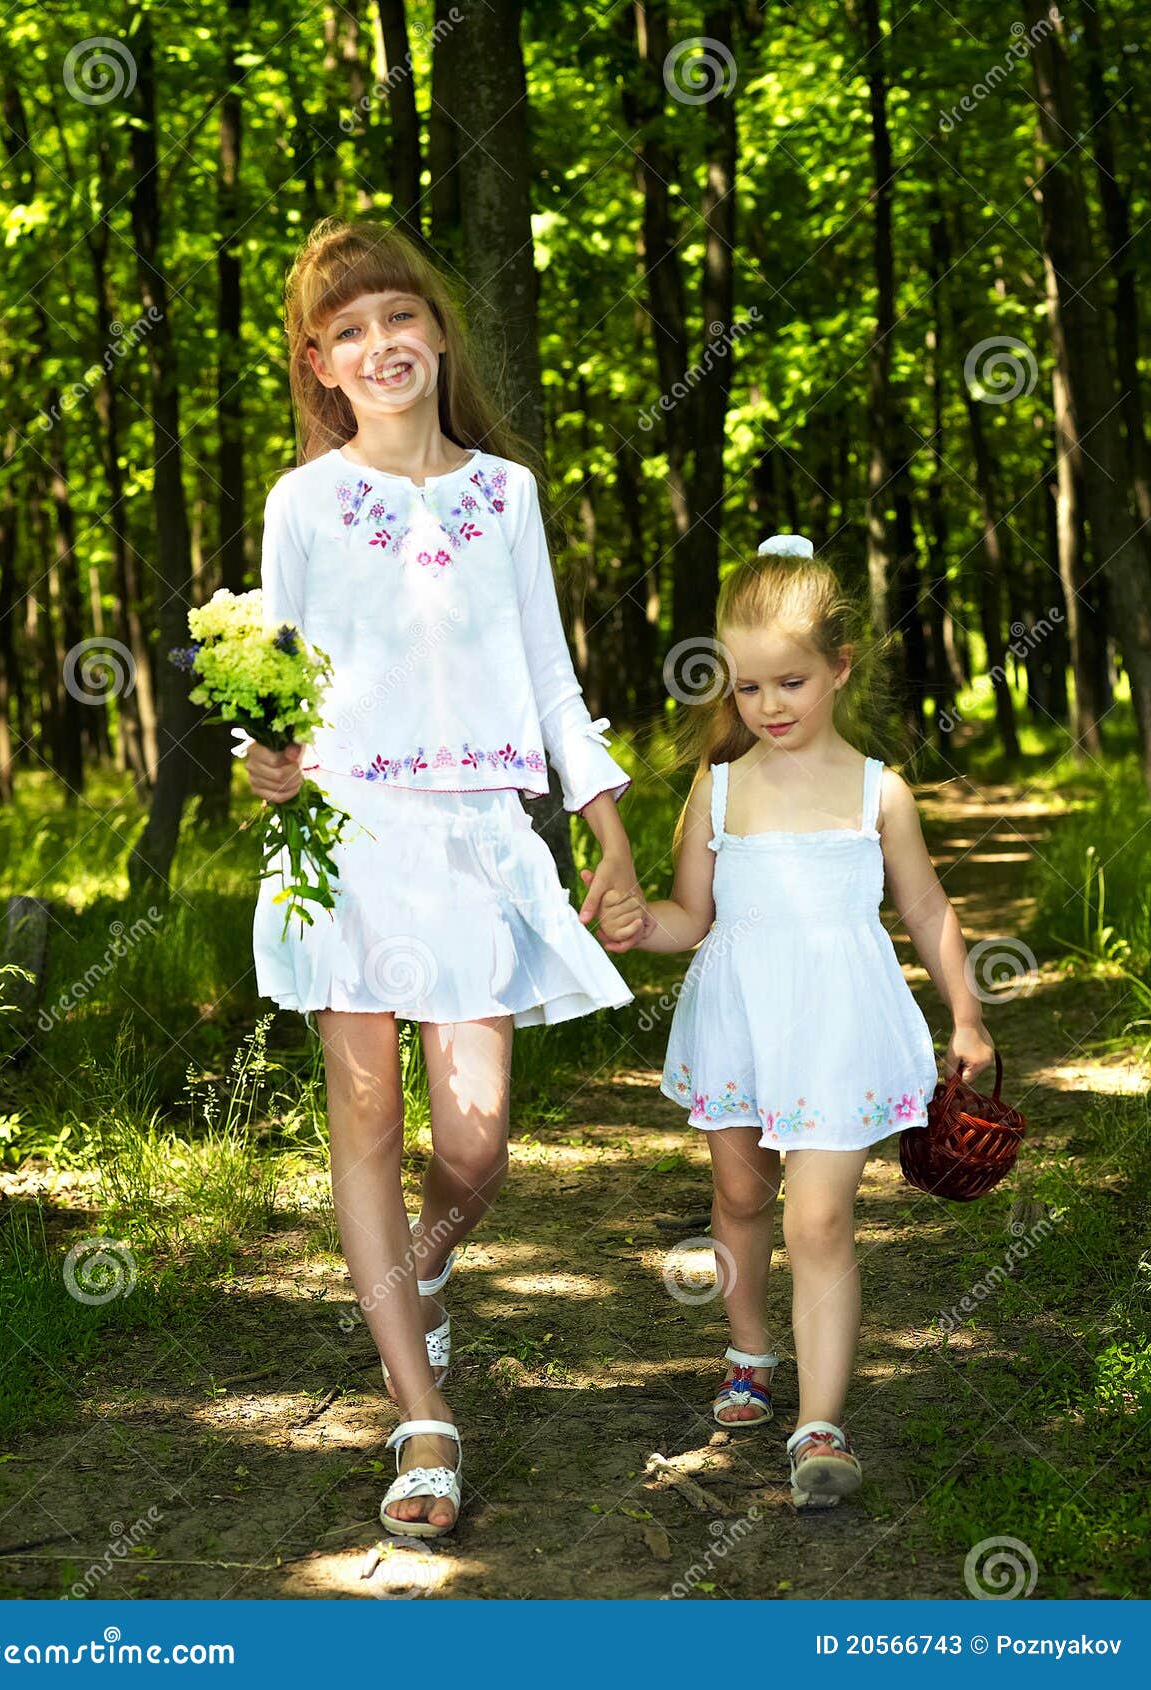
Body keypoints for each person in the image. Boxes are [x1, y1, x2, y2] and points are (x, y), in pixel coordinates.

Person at [235, 218, 643, 1537]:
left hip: (474, 834)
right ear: (320, 365)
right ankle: (422, 1415)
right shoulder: (302, 503)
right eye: (349, 332)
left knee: (475, 1140)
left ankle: (417, 1269)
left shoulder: (505, 495)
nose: (380, 345)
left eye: (397, 318)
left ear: (435, 331)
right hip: (345, 839)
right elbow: (274, 668)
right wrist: (268, 754)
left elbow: (549, 675)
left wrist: (604, 816)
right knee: (362, 1121)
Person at [594, 535, 994, 1509]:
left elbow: (930, 910)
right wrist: (640, 925)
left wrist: (969, 1013)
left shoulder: (880, 792)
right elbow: (696, 918)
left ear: (841, 667)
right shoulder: (718, 789)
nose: (768, 706)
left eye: (791, 682)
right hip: (738, 1023)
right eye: (746, 687)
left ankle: (820, 1425)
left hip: (839, 1028)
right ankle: (748, 1351)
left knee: (819, 1218)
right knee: (738, 1200)